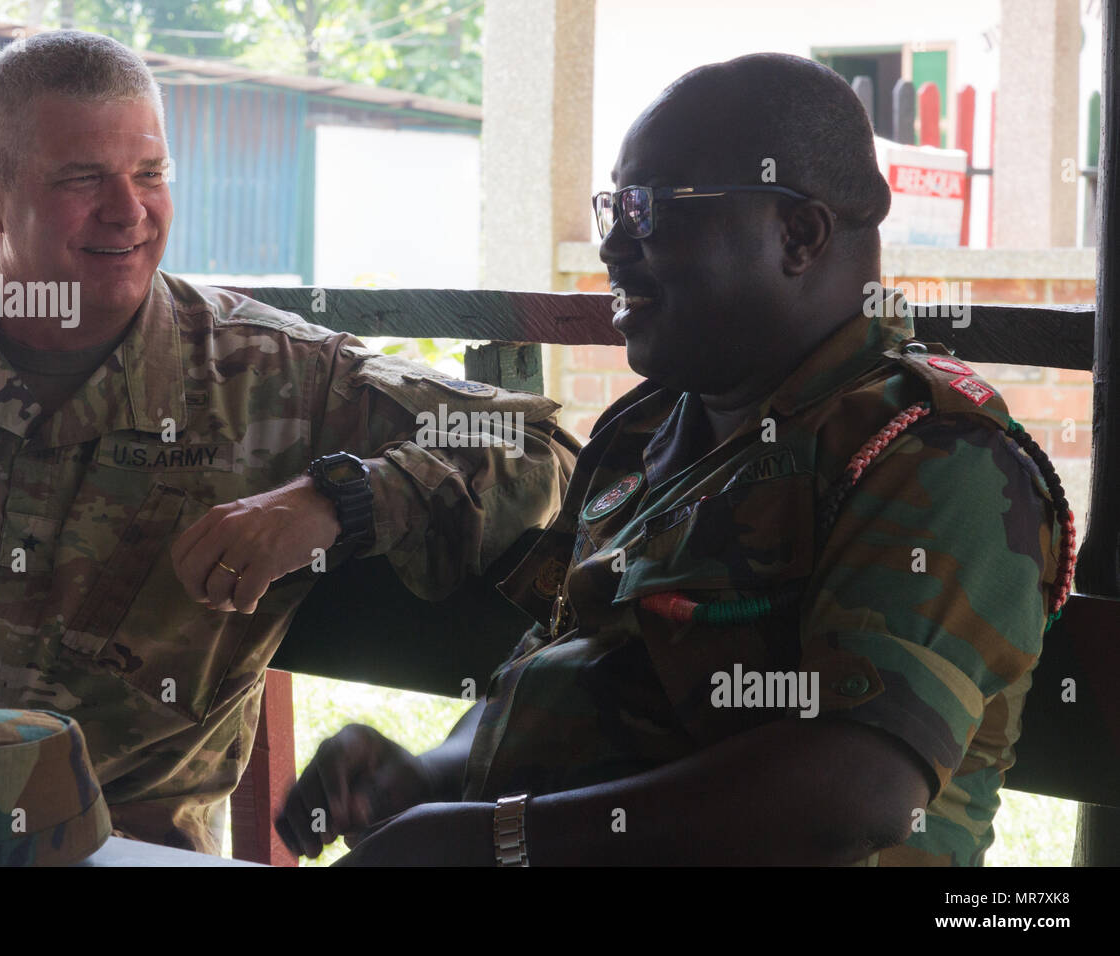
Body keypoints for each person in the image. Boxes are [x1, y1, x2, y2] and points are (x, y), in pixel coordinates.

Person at [275, 53, 1073, 866]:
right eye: (614, 206)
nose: (615, 244)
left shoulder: (934, 457)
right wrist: (423, 778)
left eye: (652, 208)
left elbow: (853, 793)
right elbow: (560, 658)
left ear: (798, 234)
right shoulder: (646, 430)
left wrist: (498, 840)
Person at [0, 30, 575, 856]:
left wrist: (338, 501)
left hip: (125, 848)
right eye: (83, 179)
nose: (128, 210)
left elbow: (534, 441)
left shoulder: (266, 373)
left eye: (150, 175)